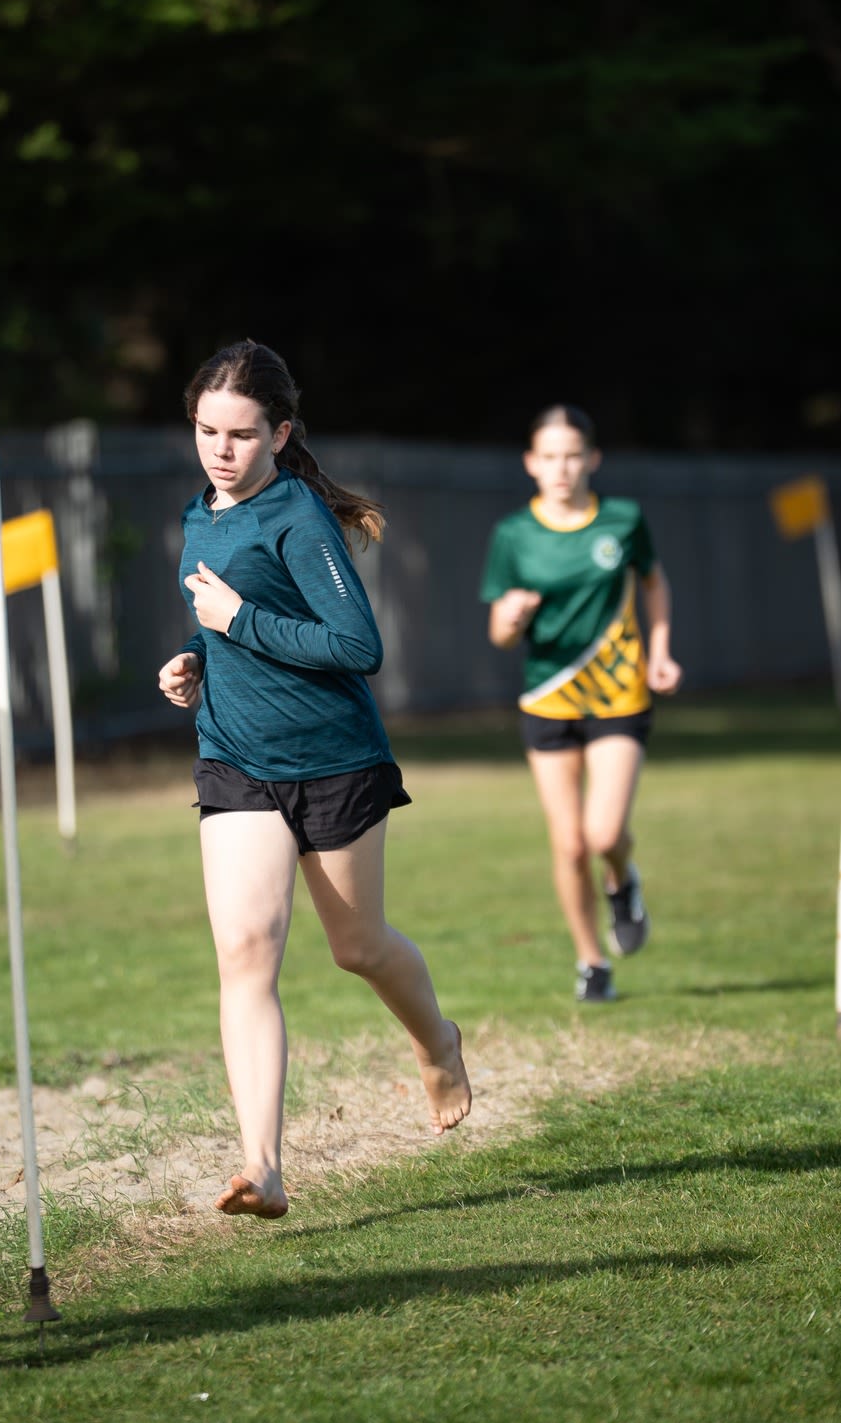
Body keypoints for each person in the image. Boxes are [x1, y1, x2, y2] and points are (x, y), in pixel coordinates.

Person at [157, 338, 471, 1219]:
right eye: (206, 431)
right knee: (245, 950)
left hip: (333, 761)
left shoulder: (296, 516)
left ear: (280, 433)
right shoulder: (198, 516)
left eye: (241, 434)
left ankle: (438, 1043)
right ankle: (262, 1167)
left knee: (356, 948)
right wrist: (192, 659)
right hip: (234, 760)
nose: (220, 450)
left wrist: (236, 621)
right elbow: (222, 625)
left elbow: (356, 646)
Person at [480, 404, 683, 1003]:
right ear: (531, 463)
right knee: (568, 844)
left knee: (603, 832)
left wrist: (661, 651)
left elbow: (655, 582)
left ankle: (622, 878)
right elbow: (499, 633)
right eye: (549, 457)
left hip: (619, 694)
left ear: (593, 459)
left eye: (573, 455)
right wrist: (511, 618)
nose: (562, 468)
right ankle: (592, 962)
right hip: (548, 699)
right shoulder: (513, 534)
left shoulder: (623, 520)